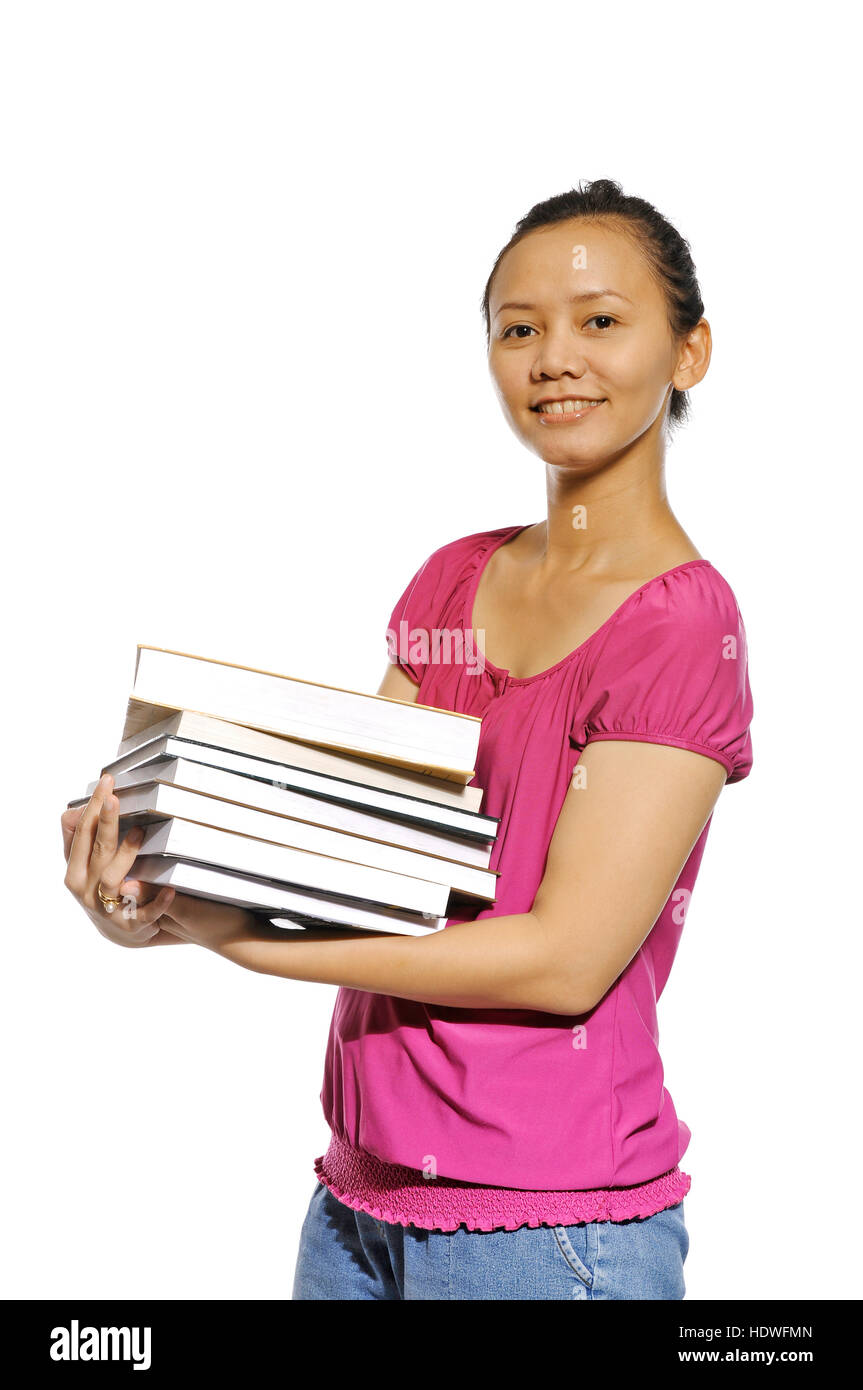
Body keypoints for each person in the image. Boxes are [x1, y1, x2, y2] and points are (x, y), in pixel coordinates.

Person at [61, 178, 754, 1301]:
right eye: (516, 329)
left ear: (688, 352)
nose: (552, 357)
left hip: (546, 1234)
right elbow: (356, 859)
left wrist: (237, 943)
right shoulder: (453, 579)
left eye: (600, 321)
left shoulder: (681, 625)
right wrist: (155, 882)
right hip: (356, 1201)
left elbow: (561, 960)